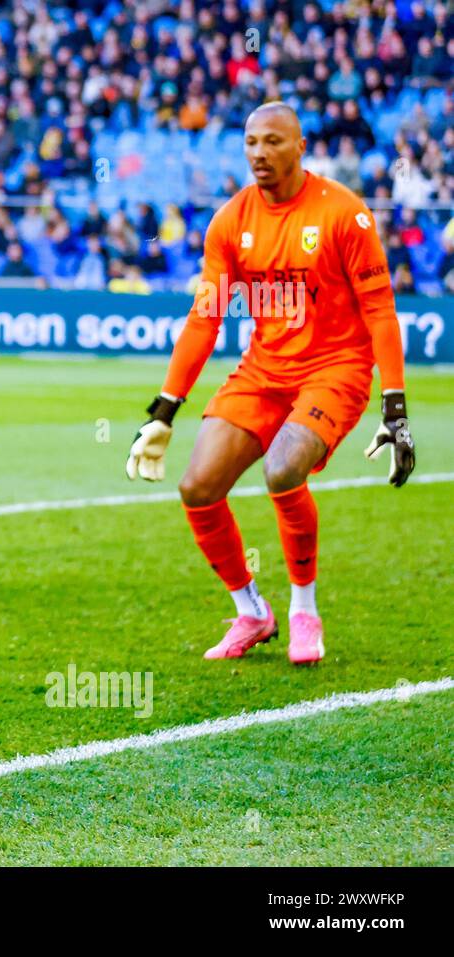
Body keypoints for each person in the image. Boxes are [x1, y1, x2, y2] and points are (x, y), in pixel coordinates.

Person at [126, 103, 414, 665]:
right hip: (264, 370)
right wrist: (164, 410)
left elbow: (380, 310)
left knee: (282, 469)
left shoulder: (343, 213)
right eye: (252, 142)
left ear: (300, 146)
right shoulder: (231, 220)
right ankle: (252, 612)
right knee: (198, 486)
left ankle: (304, 609)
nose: (260, 153)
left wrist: (395, 407)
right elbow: (205, 316)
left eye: (274, 142)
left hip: (335, 369)